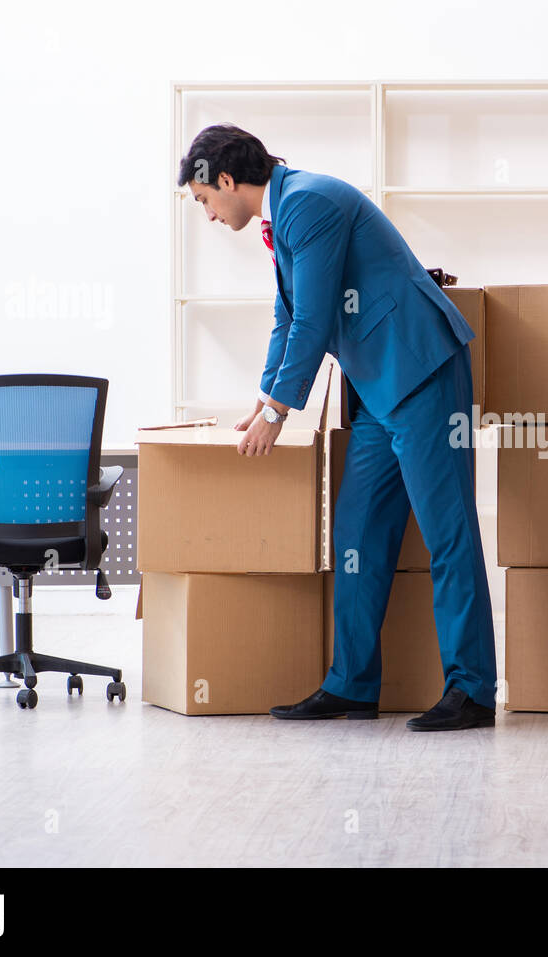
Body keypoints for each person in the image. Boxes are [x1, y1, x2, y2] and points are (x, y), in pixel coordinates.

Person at [176, 125, 498, 731]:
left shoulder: (308, 201)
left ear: (222, 178)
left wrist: (279, 412)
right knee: (356, 534)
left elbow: (317, 318)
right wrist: (267, 393)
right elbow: (289, 313)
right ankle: (351, 684)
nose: (210, 216)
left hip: (420, 369)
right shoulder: (285, 214)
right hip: (376, 387)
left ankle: (473, 690)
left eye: (203, 202)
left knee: (447, 531)